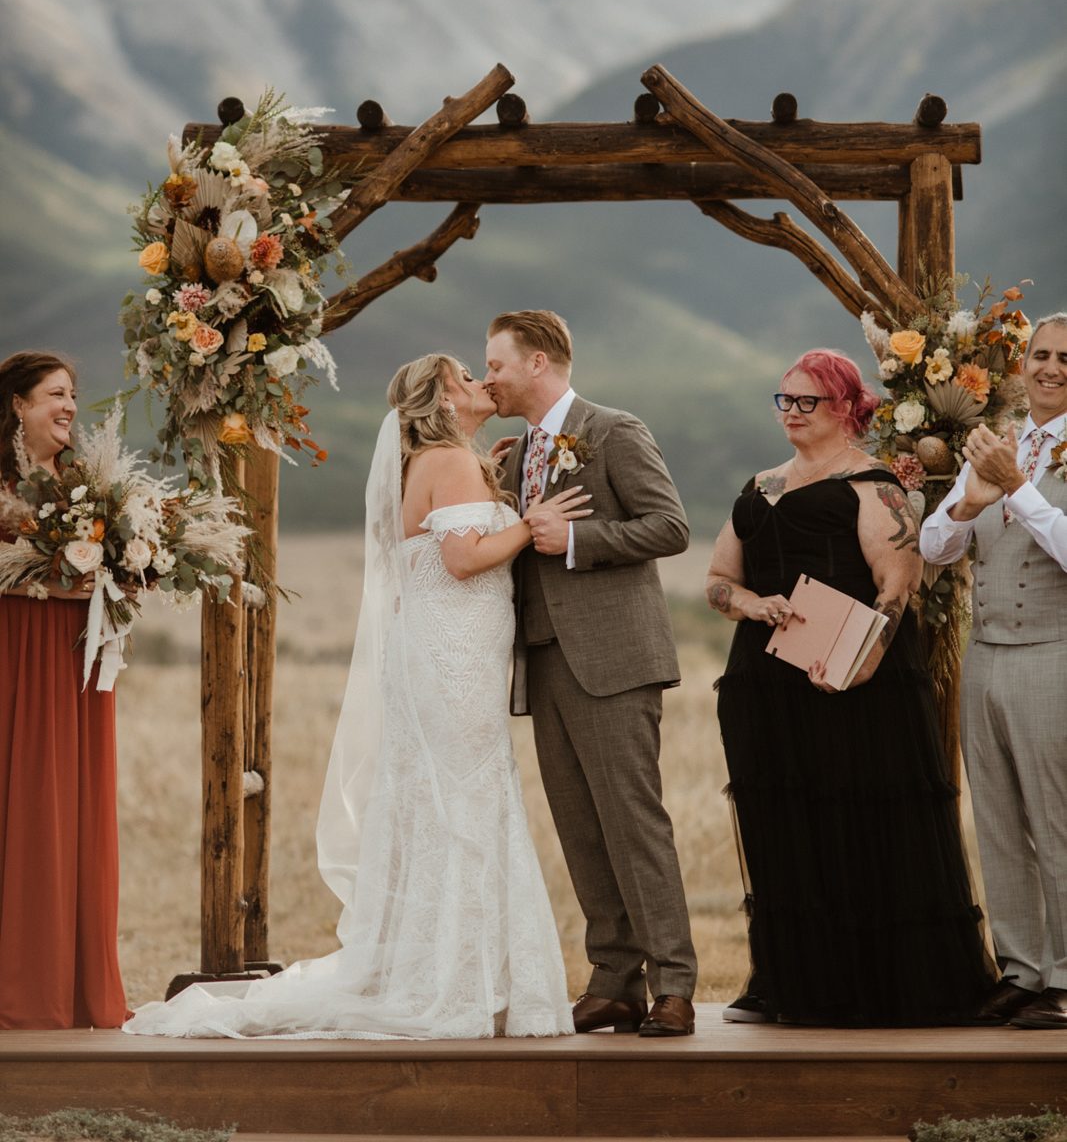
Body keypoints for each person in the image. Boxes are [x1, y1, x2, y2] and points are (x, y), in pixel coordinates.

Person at [126, 353, 580, 1039]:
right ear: (442, 399)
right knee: (464, 800)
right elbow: (462, 560)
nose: (480, 382)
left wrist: (496, 492)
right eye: (465, 376)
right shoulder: (450, 461)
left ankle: (448, 971)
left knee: (447, 802)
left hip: (444, 655)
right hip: (453, 658)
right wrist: (530, 521)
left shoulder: (436, 461)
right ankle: (458, 981)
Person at [708, 347, 994, 1028]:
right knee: (785, 828)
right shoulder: (759, 485)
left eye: (806, 401)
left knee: (858, 824)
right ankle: (792, 982)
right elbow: (719, 578)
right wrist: (750, 603)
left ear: (845, 407)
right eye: (783, 399)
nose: (791, 412)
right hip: (765, 682)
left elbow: (898, 586)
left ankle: (874, 988)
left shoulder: (871, 484)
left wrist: (859, 663)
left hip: (855, 678)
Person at [485, 310, 697, 1037]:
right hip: (544, 663)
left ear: (537, 362)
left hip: (614, 659)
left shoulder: (613, 431)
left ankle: (674, 985)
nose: (489, 378)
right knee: (579, 827)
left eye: (496, 365)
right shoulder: (513, 457)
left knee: (633, 824)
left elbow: (670, 526)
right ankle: (614, 982)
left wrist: (576, 538)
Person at [920, 311, 1067, 1030]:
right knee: (1000, 821)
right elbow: (932, 545)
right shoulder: (997, 445)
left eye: (1065, 359)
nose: (1051, 368)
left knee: (1056, 820)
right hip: (985, 657)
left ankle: (1065, 980)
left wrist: (1018, 489)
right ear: (1022, 366)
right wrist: (967, 505)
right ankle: (1021, 970)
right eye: (1040, 355)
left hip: (1054, 653)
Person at [0, 351, 127, 1030]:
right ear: (17, 405)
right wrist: (48, 580)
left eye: (72, 394)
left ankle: (74, 987)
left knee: (76, 804)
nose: (70, 406)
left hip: (78, 657)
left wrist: (132, 567)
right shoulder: (4, 483)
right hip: (16, 652)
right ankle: (24, 984)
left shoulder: (89, 485)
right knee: (23, 795)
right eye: (54, 394)